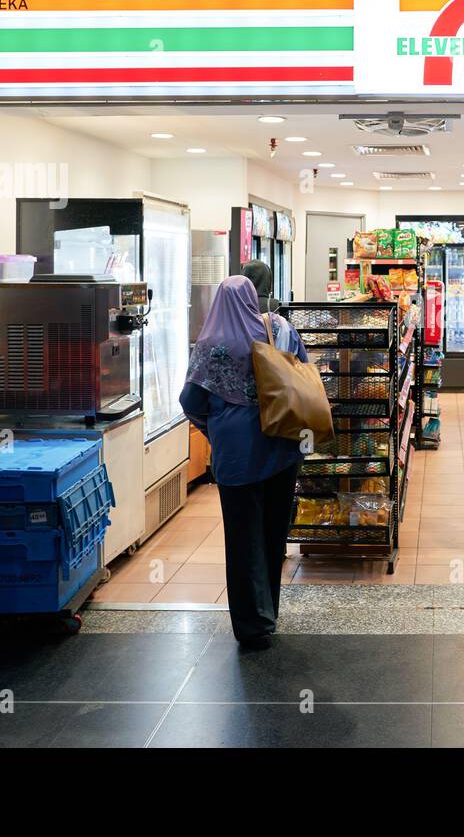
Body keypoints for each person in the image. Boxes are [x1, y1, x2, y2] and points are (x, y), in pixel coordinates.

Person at [179, 275, 307, 650]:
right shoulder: (280, 328)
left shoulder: (210, 345)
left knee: (242, 537)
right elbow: (303, 370)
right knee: (272, 532)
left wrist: (214, 428)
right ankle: (271, 609)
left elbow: (190, 401)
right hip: (282, 446)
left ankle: (252, 625)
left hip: (236, 456)